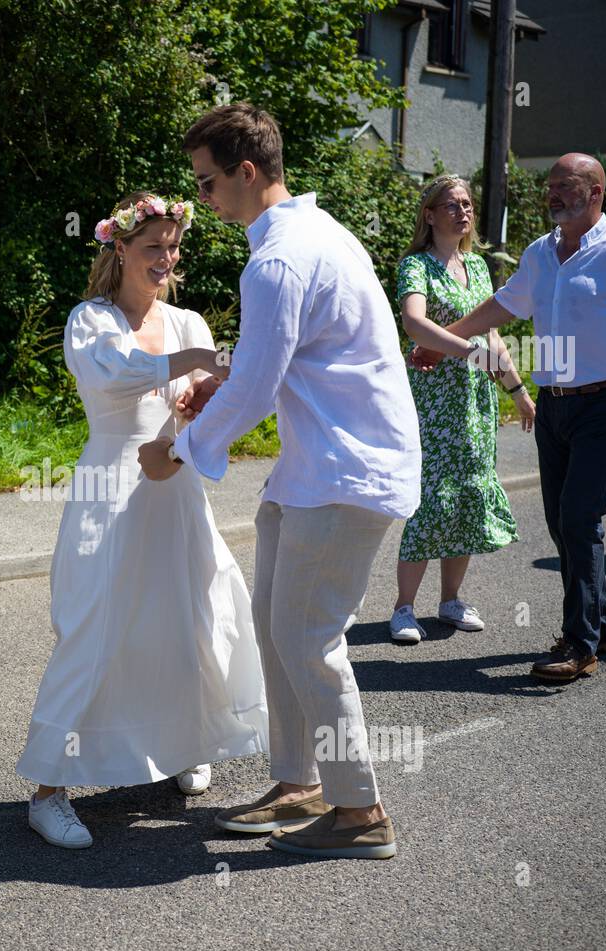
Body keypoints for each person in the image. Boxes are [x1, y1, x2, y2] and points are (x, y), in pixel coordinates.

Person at [142, 103, 421, 860]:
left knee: (307, 637)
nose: (201, 199)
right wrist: (224, 378)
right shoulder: (310, 235)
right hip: (318, 466)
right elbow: (279, 358)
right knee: (277, 623)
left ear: (248, 172)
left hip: (344, 469)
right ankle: (300, 781)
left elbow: (260, 388)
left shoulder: (278, 258)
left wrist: (180, 447)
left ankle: (360, 810)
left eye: (206, 184)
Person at [16, 191, 268, 849]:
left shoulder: (187, 322)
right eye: (152, 245)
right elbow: (115, 373)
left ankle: (187, 742)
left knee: (190, 617)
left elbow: (209, 402)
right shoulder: (90, 320)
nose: (165, 257)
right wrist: (193, 367)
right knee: (95, 627)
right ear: (120, 249)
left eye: (172, 246)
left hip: (175, 487)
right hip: (110, 488)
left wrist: (198, 404)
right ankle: (47, 790)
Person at [411, 153, 606, 682]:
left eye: (565, 185)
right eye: (550, 185)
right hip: (554, 404)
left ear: (595, 193)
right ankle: (604, 623)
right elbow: (503, 307)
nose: (552, 193)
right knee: (561, 522)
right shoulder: (541, 254)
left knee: (580, 517)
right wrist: (449, 342)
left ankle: (579, 643)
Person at [390, 175, 533, 645]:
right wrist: (469, 353)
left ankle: (450, 600)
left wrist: (517, 391)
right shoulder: (416, 265)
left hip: (475, 402)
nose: (463, 212)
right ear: (429, 214)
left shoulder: (477, 267)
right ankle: (403, 608)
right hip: (434, 400)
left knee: (469, 495)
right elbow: (415, 323)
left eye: (467, 204)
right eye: (451, 205)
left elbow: (492, 338)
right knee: (430, 498)